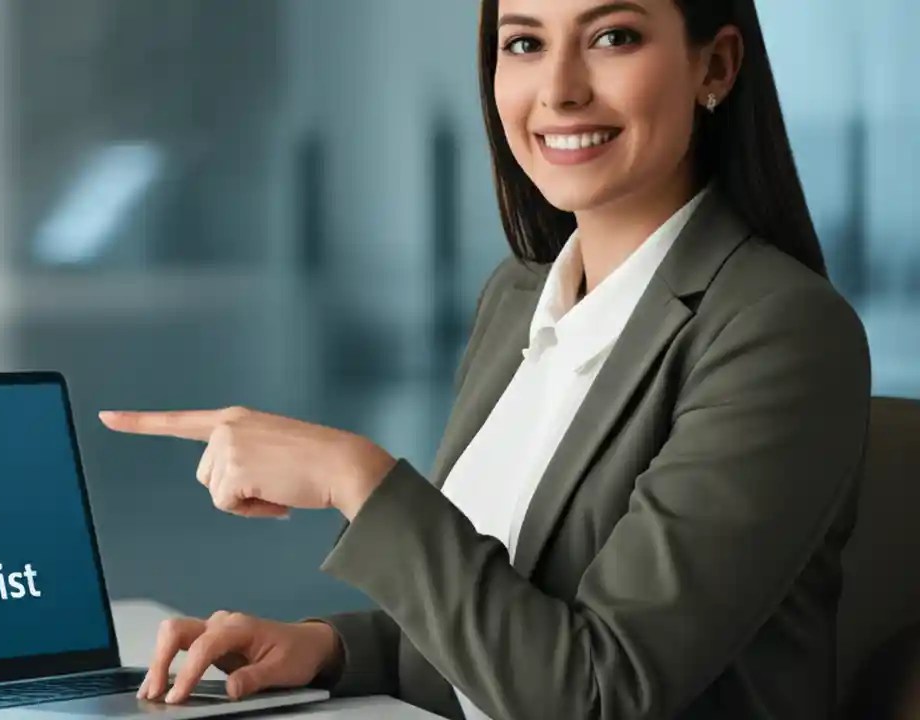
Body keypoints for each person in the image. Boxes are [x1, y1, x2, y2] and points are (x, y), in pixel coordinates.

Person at [99, 0, 872, 717]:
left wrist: (354, 478)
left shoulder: (781, 332)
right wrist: (329, 651)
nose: (560, 89)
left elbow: (596, 692)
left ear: (717, 66)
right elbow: (498, 628)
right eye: (525, 43)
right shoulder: (517, 298)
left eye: (612, 37)